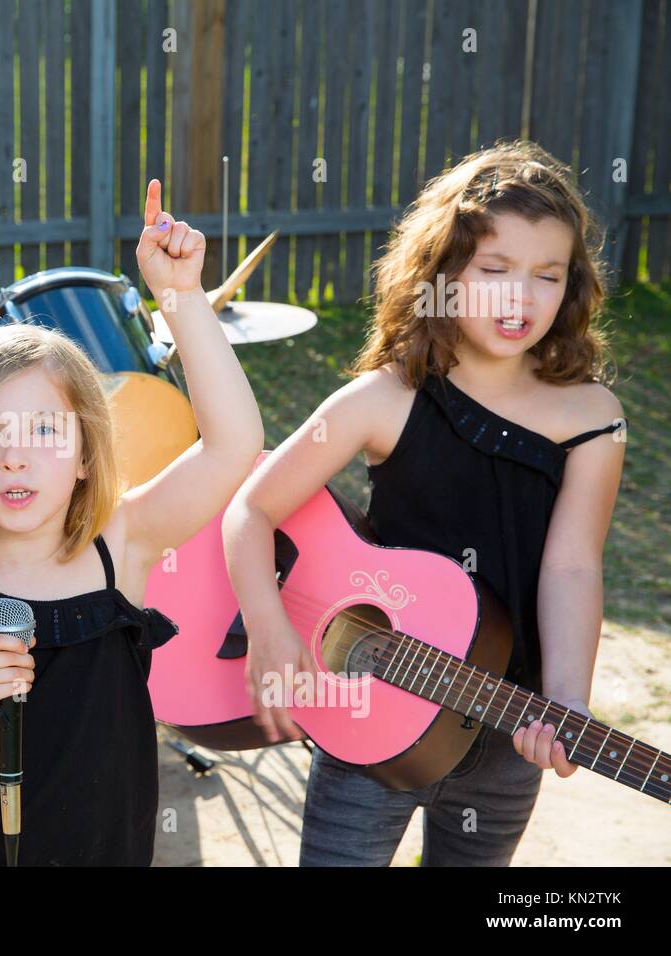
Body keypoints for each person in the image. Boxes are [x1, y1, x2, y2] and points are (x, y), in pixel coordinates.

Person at [222, 140, 626, 866]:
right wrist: (270, 627)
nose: (520, 297)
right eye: (495, 270)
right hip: (369, 713)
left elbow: (572, 567)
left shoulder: (591, 416)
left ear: (572, 286)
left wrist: (565, 699)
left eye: (546, 275)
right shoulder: (385, 398)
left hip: (507, 726)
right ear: (443, 272)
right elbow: (251, 510)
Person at [0, 178, 264, 864]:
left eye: (45, 431)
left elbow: (233, 445)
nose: (15, 458)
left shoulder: (124, 546)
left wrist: (181, 297)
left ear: (85, 456)